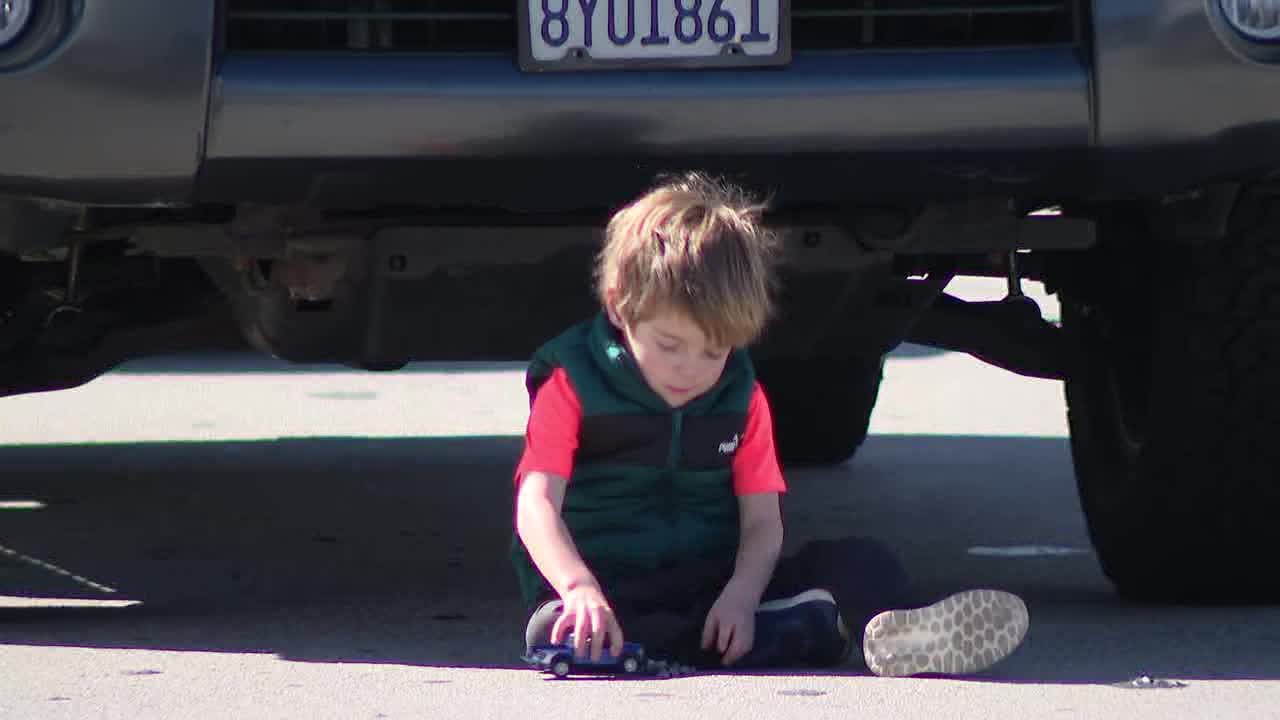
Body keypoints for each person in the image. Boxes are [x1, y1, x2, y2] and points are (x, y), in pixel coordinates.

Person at [510, 172, 1029, 675]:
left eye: (713, 351)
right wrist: (578, 586)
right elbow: (537, 504)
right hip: (607, 586)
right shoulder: (571, 380)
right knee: (560, 630)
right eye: (670, 346)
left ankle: (898, 631)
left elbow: (761, 522)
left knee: (857, 561)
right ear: (622, 309)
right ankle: (804, 630)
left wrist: (740, 594)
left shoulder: (741, 395)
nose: (690, 369)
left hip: (709, 582)